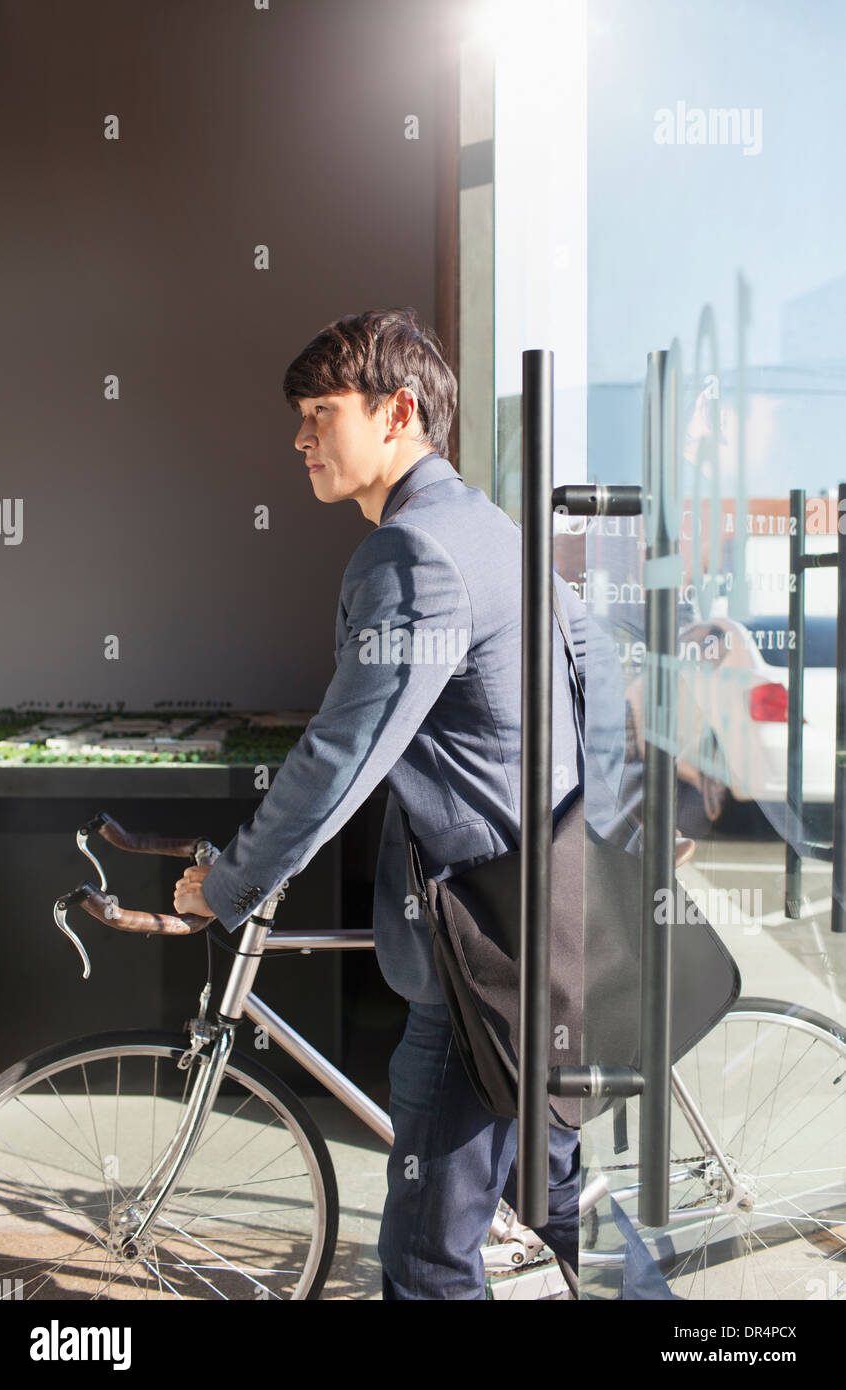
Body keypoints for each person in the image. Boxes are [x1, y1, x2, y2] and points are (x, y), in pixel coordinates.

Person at [173, 306, 588, 1299]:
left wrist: (226, 883)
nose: (299, 437)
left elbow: (339, 755)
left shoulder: (412, 556)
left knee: (423, 1260)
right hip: (552, 914)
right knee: (550, 1199)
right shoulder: (493, 529)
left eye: (320, 412)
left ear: (398, 412)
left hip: (476, 952)